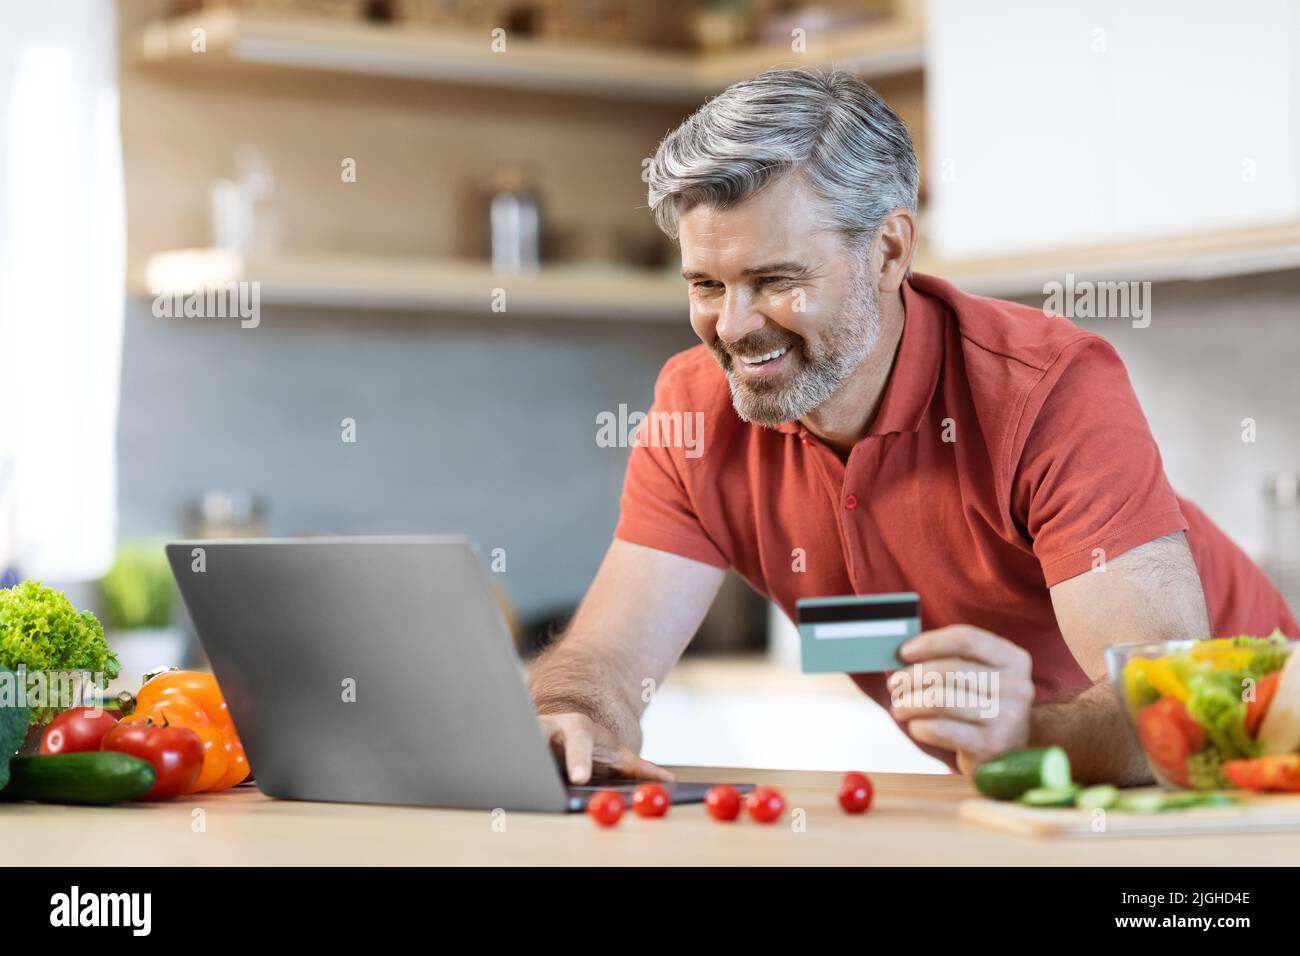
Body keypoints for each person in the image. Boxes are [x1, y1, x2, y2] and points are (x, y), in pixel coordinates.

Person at [528, 69, 1298, 786]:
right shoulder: (695, 411)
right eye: (707, 283)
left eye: (776, 280)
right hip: (1027, 792)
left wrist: (1022, 732)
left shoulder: (1049, 389)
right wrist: (575, 716)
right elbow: (608, 655)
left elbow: (1171, 712)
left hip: (1248, 761)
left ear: (889, 250)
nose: (733, 326)